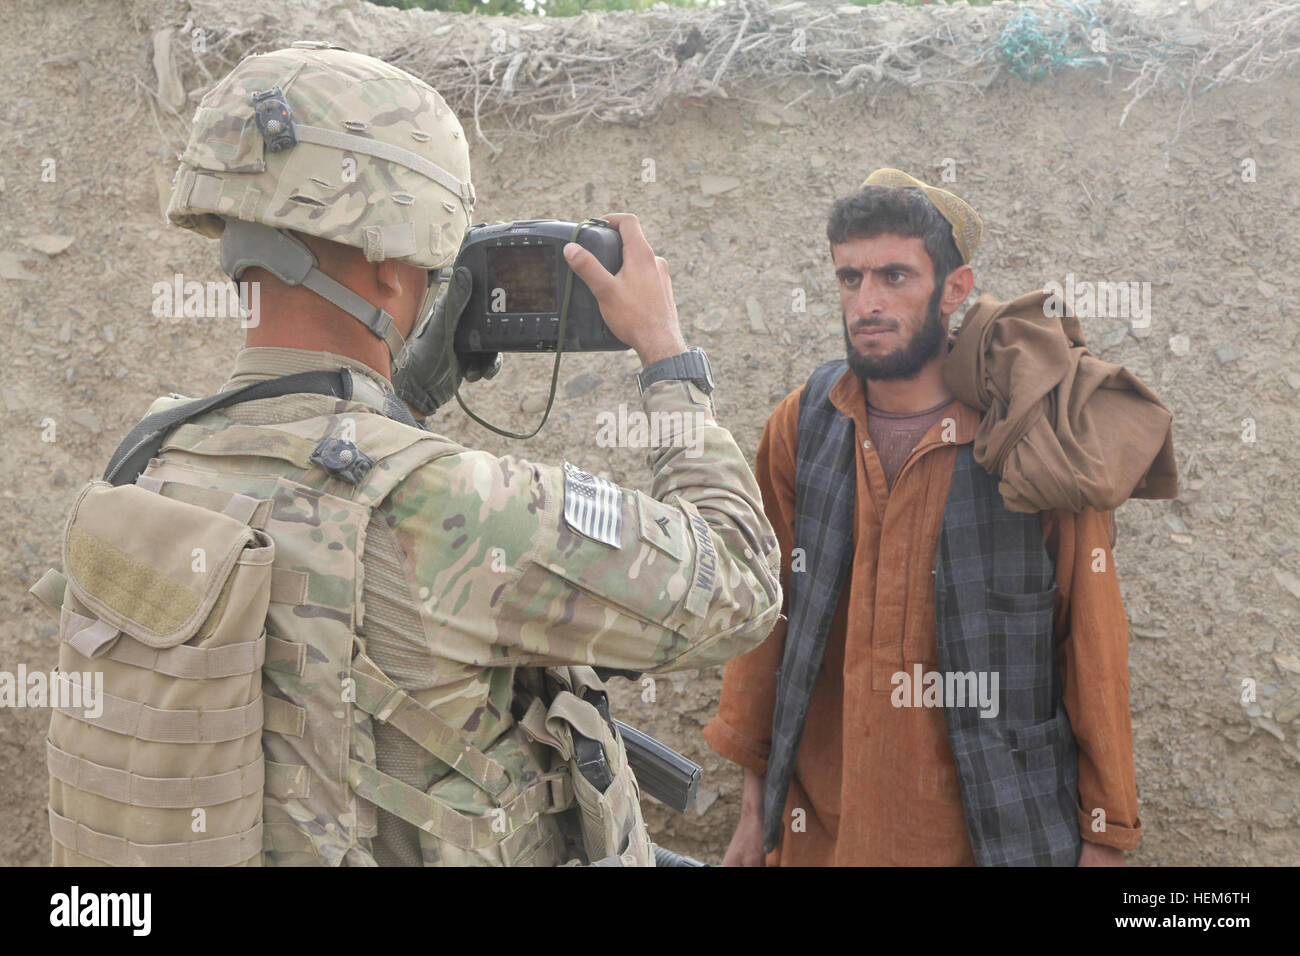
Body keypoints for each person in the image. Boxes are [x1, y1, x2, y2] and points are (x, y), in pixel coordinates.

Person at [87, 44, 780, 866]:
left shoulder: (154, 455)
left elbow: (318, 487)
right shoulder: (452, 507)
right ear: (388, 268)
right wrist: (668, 359)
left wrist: (407, 394)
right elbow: (738, 583)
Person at [704, 169, 1141, 867]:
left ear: (955, 289)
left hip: (991, 836)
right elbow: (766, 629)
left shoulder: (1031, 440)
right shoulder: (804, 424)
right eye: (850, 279)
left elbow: (1092, 645)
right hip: (824, 834)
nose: (866, 302)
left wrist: (1105, 838)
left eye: (894, 276)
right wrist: (754, 812)